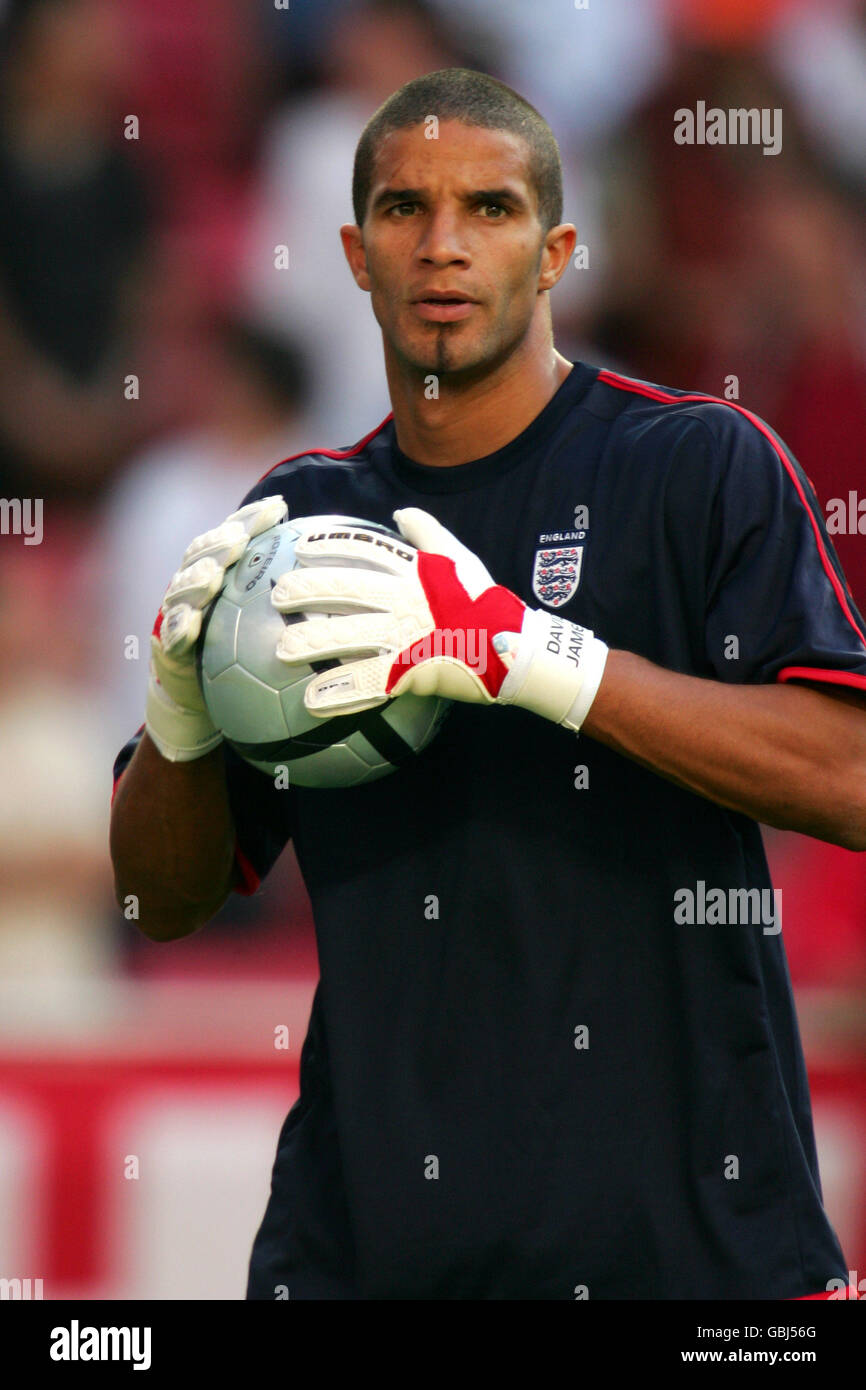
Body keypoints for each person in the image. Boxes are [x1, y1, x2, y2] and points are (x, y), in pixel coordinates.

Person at [109, 69, 866, 1300]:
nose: (443, 245)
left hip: (690, 1257)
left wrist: (537, 661)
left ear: (558, 248)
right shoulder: (297, 526)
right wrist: (177, 719)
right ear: (354, 254)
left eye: (490, 208)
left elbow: (850, 777)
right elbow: (164, 898)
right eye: (404, 210)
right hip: (366, 1251)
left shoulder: (693, 464)